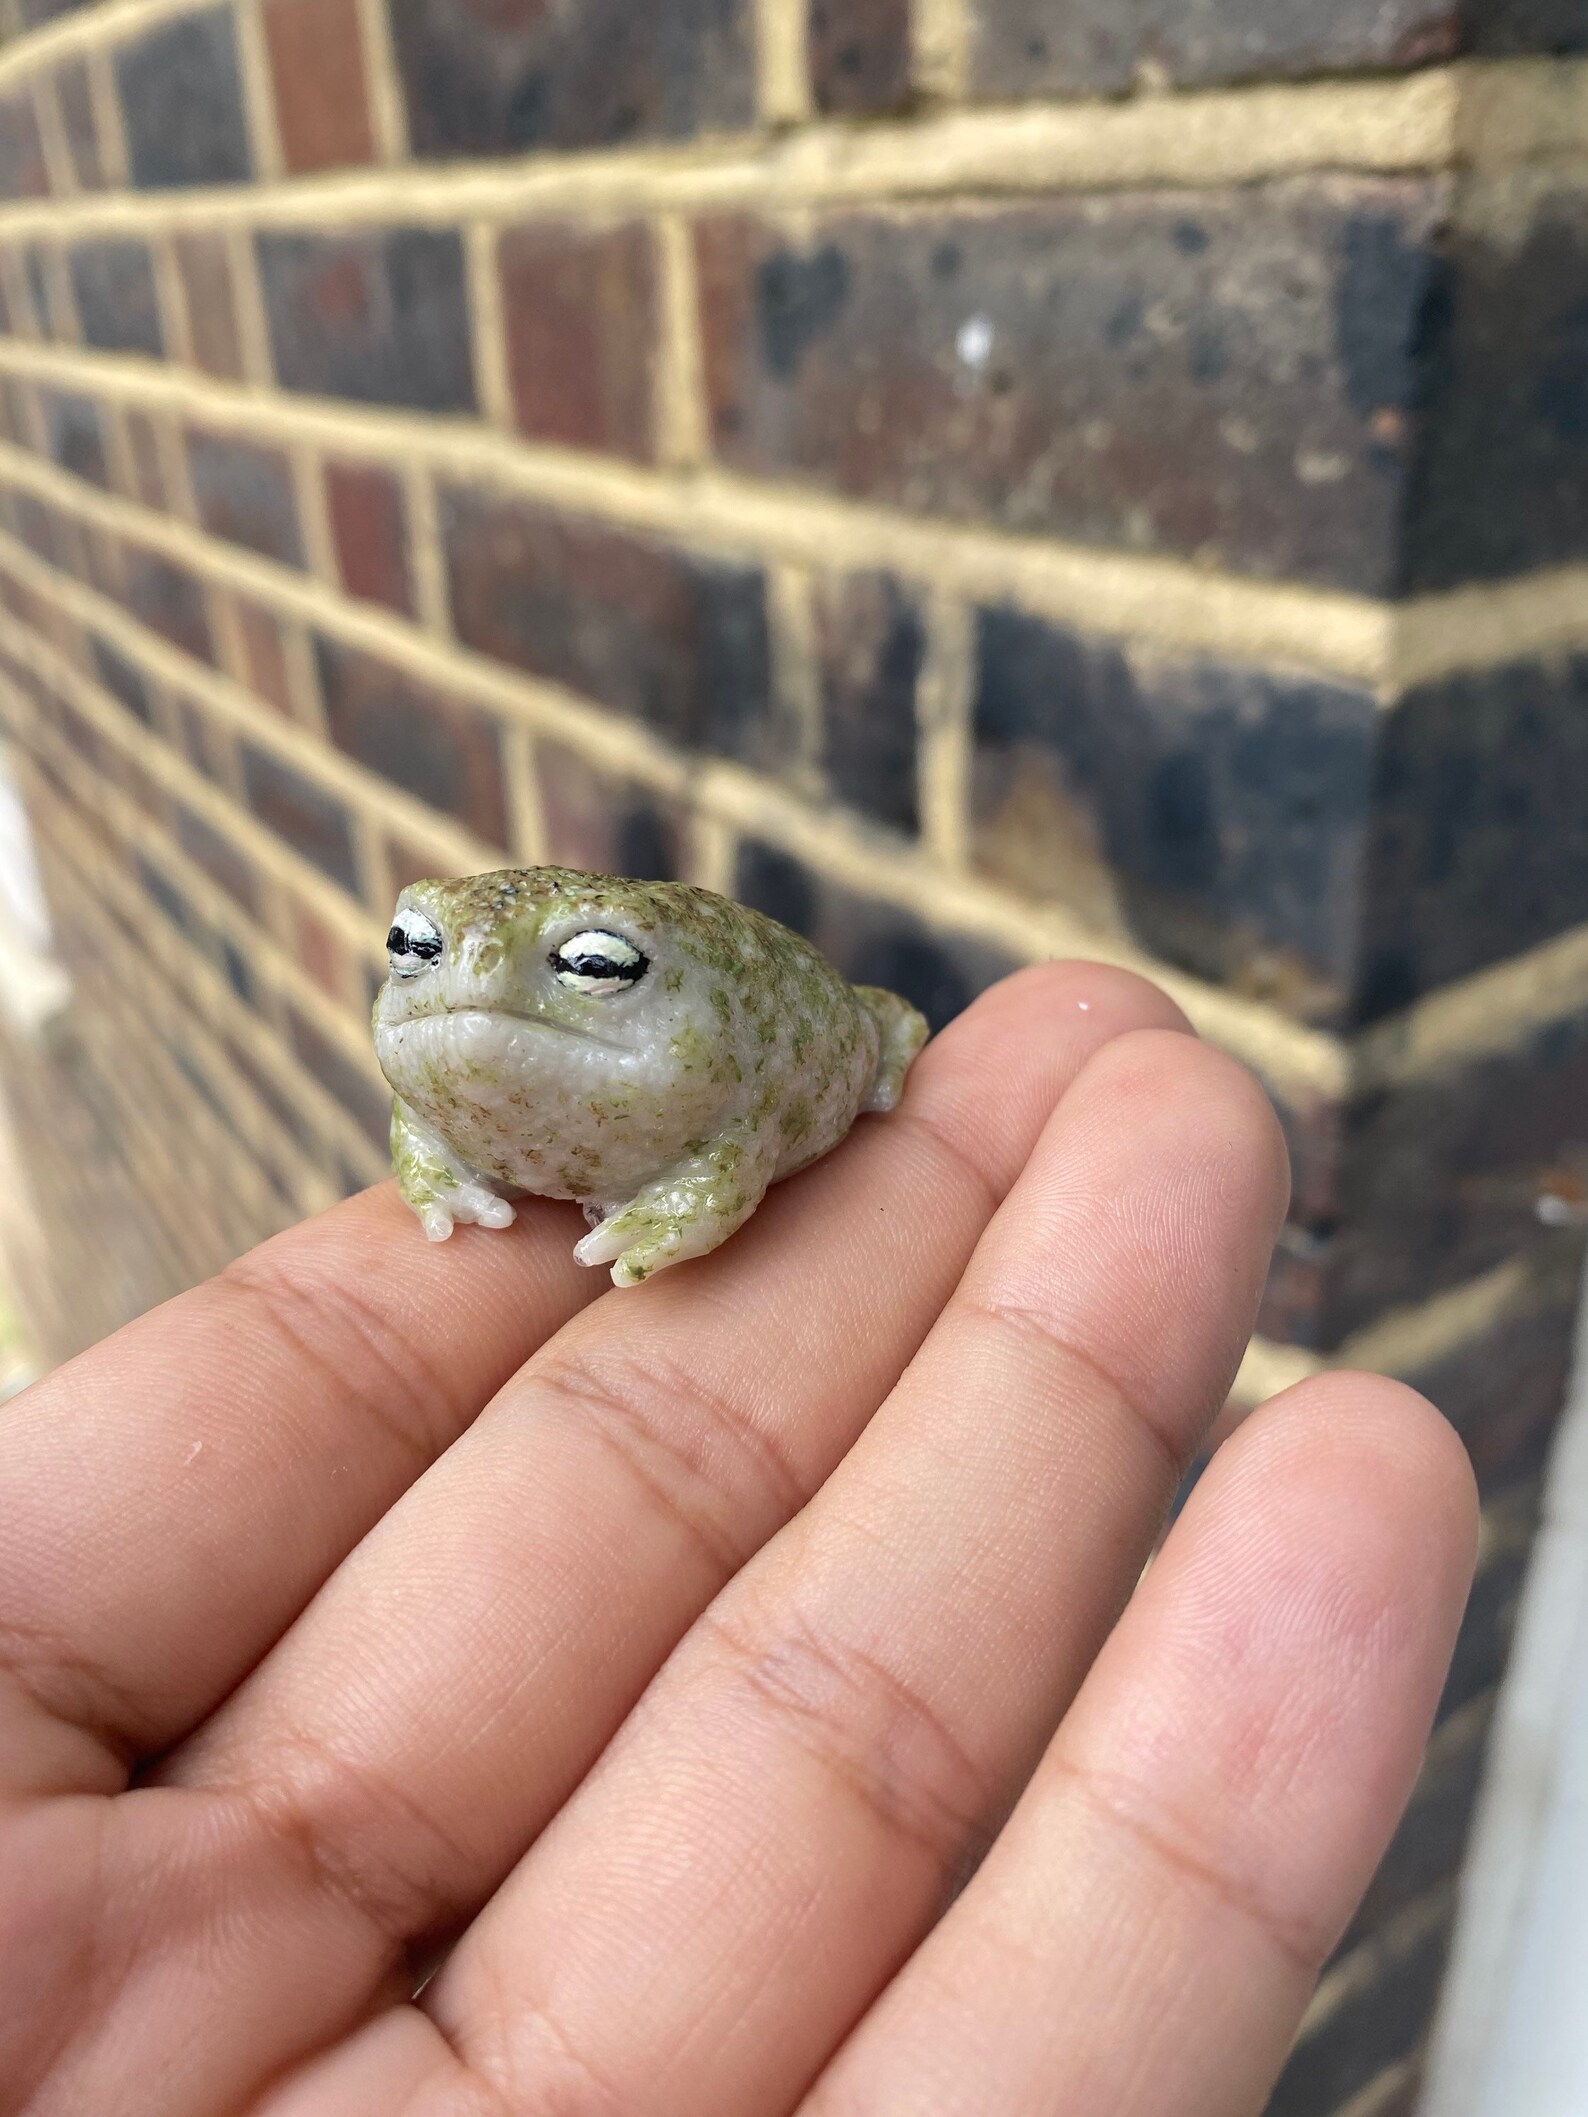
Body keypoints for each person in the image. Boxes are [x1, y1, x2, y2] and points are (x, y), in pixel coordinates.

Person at [0, 963, 1476, 2116]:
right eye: (414, 949)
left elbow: (744, 1143)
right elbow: (420, 1114)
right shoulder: (457, 1049)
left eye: (582, 966)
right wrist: (438, 1165)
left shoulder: (728, 1032)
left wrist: (677, 1205)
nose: (455, 985)